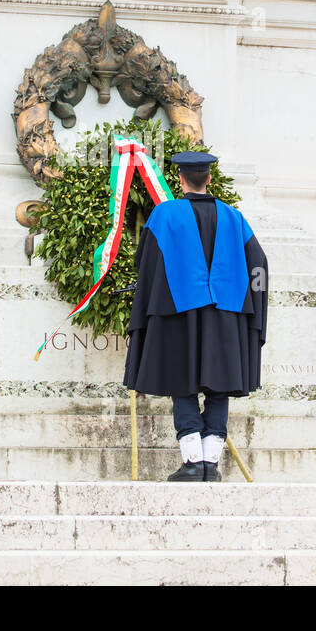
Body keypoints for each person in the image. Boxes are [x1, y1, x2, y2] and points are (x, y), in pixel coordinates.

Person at [122, 151, 268, 482]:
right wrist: (252, 303)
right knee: (220, 388)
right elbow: (259, 263)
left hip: (180, 311)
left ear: (180, 180)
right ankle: (211, 465)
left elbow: (145, 264)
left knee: (182, 383)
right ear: (210, 180)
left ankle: (192, 463)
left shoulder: (164, 215)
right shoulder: (235, 218)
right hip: (226, 315)